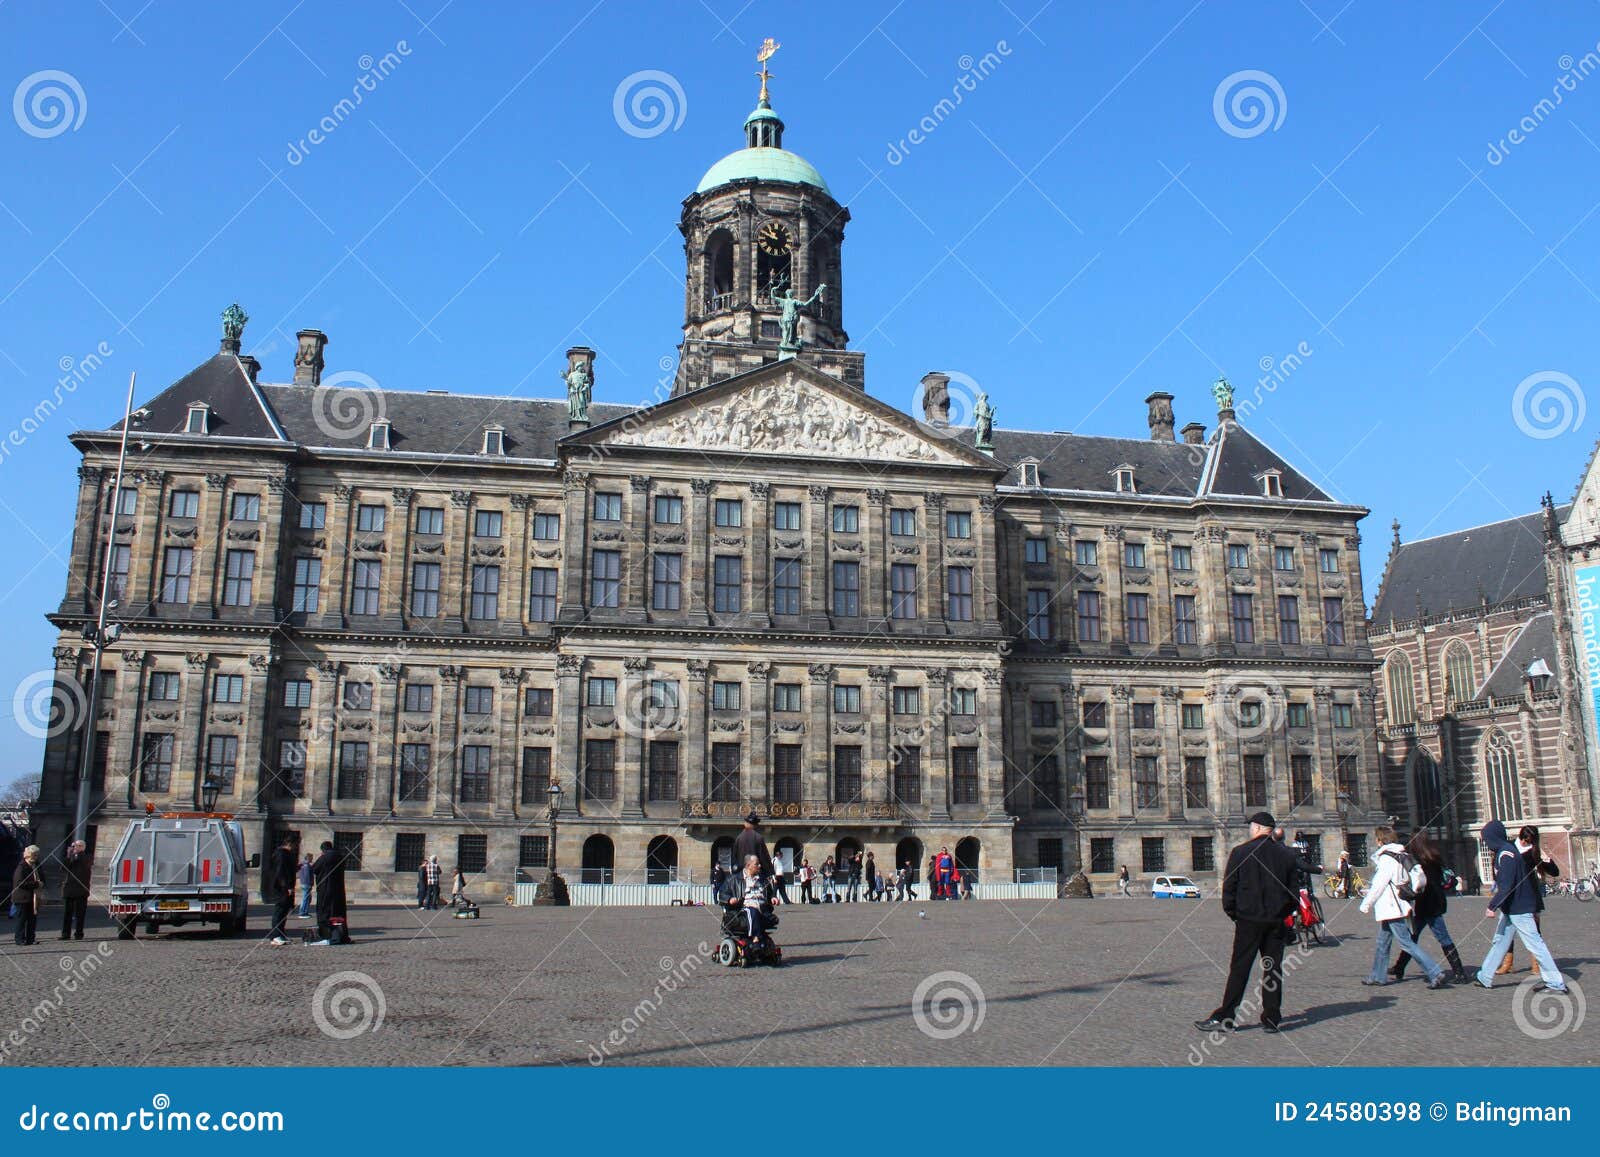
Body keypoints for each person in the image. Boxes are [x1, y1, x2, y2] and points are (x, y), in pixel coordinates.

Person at [1195, 812, 1298, 1034]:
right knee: (1272, 969)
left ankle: (1226, 1017)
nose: (1250, 829)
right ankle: (1271, 1019)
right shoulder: (1287, 855)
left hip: (1248, 922)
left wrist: (1236, 915)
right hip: (1275, 922)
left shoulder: (1240, 852)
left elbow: (1229, 890)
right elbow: (1293, 895)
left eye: (1251, 826)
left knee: (1240, 969)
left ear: (1259, 827)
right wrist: (1281, 913)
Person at [1475, 820, 1569, 993]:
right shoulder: (1508, 850)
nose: (1487, 844)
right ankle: (1485, 975)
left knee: (1535, 945)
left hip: (1519, 906)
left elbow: (1507, 884)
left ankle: (1556, 983)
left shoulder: (1506, 853)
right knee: (1501, 940)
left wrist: (1492, 906)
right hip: (1514, 906)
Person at [1360, 825, 1447, 989]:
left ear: (1380, 840)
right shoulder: (1402, 854)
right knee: (1382, 942)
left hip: (1391, 907)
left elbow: (1379, 884)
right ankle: (1377, 976)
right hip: (1397, 904)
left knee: (1406, 943)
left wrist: (1366, 904)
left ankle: (1435, 971)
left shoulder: (1386, 859)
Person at [1391, 832, 1467, 982]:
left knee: (1434, 937)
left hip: (1425, 904)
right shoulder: (1434, 856)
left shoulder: (1416, 861)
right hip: (1435, 902)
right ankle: (1399, 967)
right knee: (1412, 937)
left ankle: (1460, 973)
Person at [1496, 824, 1559, 975]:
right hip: (1511, 895)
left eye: (1529, 841)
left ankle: (1536, 964)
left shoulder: (1534, 852)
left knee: (1534, 932)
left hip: (1530, 895)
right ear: (1520, 837)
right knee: (1506, 931)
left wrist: (1546, 859)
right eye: (1525, 840)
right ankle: (1508, 963)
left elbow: (1554, 872)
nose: (1526, 843)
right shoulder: (1509, 847)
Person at [719, 853, 776, 947]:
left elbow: (769, 894)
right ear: (748, 866)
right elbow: (722, 894)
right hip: (742, 909)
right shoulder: (733, 879)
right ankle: (756, 937)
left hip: (762, 907)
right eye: (756, 864)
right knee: (752, 910)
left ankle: (762, 941)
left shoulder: (762, 880)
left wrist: (773, 898)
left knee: (758, 911)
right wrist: (729, 899)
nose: (759, 866)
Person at [310, 840, 349, 946]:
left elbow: (314, 869)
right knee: (338, 912)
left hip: (326, 889)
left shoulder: (325, 857)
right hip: (338, 889)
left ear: (323, 849)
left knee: (325, 912)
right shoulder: (340, 856)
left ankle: (327, 935)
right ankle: (340, 935)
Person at [10, 845, 43, 947]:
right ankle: (19, 939)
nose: (35, 858)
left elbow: (41, 877)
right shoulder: (21, 867)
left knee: (32, 919)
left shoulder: (35, 865)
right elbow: (20, 883)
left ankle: (30, 938)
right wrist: (36, 884)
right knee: (21, 920)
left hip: (33, 898)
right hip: (22, 897)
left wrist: (41, 883)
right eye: (34, 855)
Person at [266, 834, 296, 946]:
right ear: (290, 843)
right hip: (281, 888)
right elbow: (281, 872)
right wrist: (287, 886)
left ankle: (281, 934)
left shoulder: (285, 854)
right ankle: (275, 936)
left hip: (283, 887)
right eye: (295, 844)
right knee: (279, 911)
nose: (296, 847)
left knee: (283, 912)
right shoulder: (282, 854)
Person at [59, 839, 91, 941]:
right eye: (73, 846)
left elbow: (84, 863)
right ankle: (65, 934)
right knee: (67, 914)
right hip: (69, 889)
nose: (74, 848)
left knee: (80, 914)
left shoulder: (87, 857)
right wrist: (69, 855)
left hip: (81, 890)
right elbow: (63, 868)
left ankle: (79, 933)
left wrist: (77, 853)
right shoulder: (70, 858)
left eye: (77, 846)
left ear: (82, 847)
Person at [733, 812, 774, 882]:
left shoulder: (739, 838)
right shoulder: (758, 837)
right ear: (754, 825)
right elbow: (764, 857)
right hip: (756, 875)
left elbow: (734, 856)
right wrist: (771, 872)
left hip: (742, 874)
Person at [299, 853, 315, 918]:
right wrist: (310, 884)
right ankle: (302, 913)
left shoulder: (303, 864)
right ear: (309, 858)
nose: (312, 859)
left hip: (303, 883)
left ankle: (305, 911)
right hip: (306, 884)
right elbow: (307, 876)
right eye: (311, 858)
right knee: (305, 899)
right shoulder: (307, 866)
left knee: (307, 898)